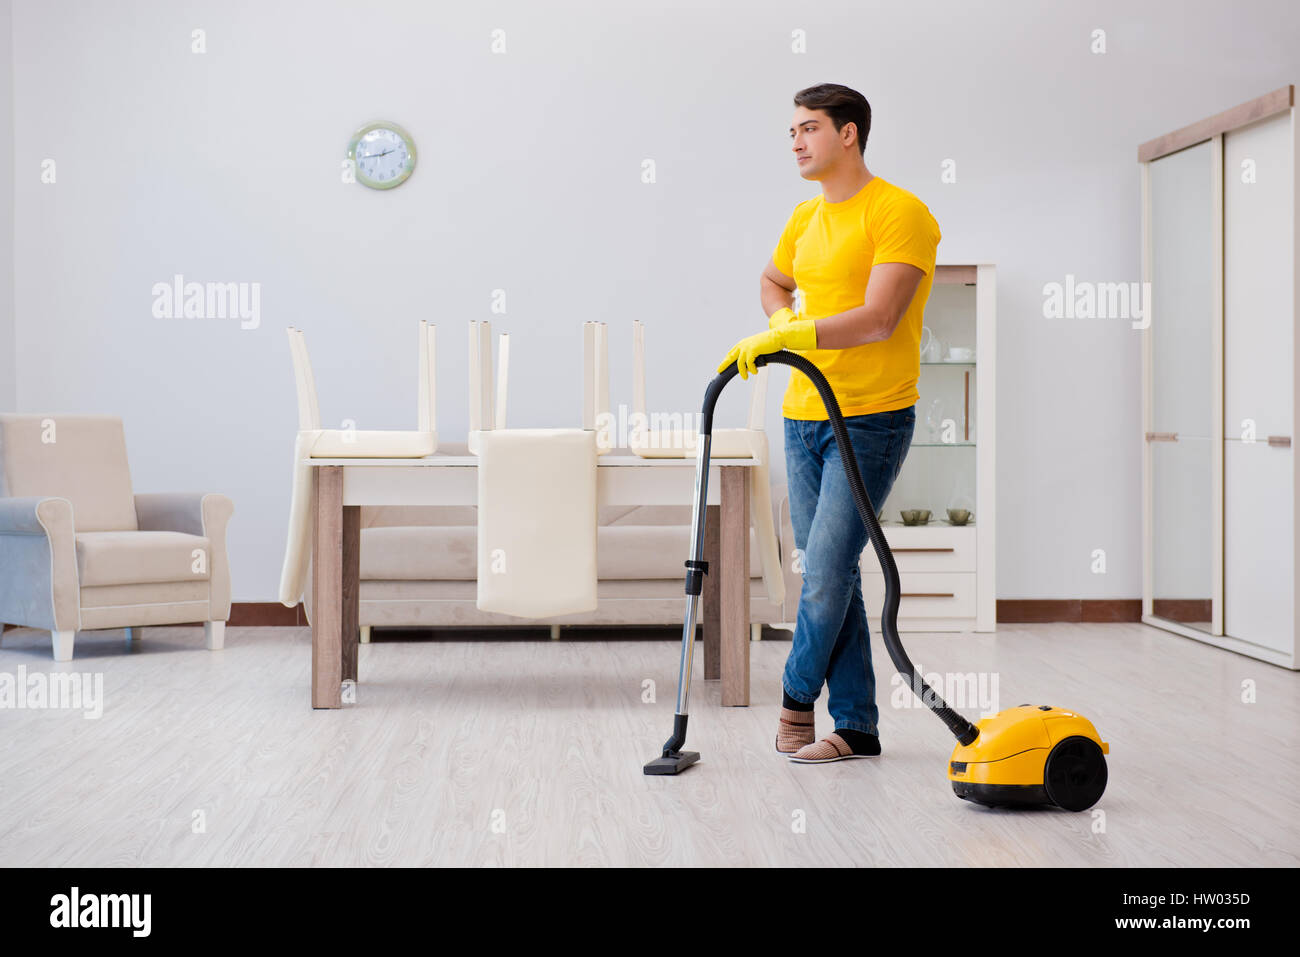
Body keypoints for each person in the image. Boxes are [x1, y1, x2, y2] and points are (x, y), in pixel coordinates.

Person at [716, 83, 942, 763]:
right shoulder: (803, 217)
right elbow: (772, 281)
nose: (796, 142)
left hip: (870, 419)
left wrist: (797, 334)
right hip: (804, 416)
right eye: (791, 131)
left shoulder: (900, 213)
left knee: (824, 572)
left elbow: (879, 319)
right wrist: (780, 319)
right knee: (832, 571)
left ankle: (792, 700)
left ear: (848, 134)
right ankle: (858, 727)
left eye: (808, 128)